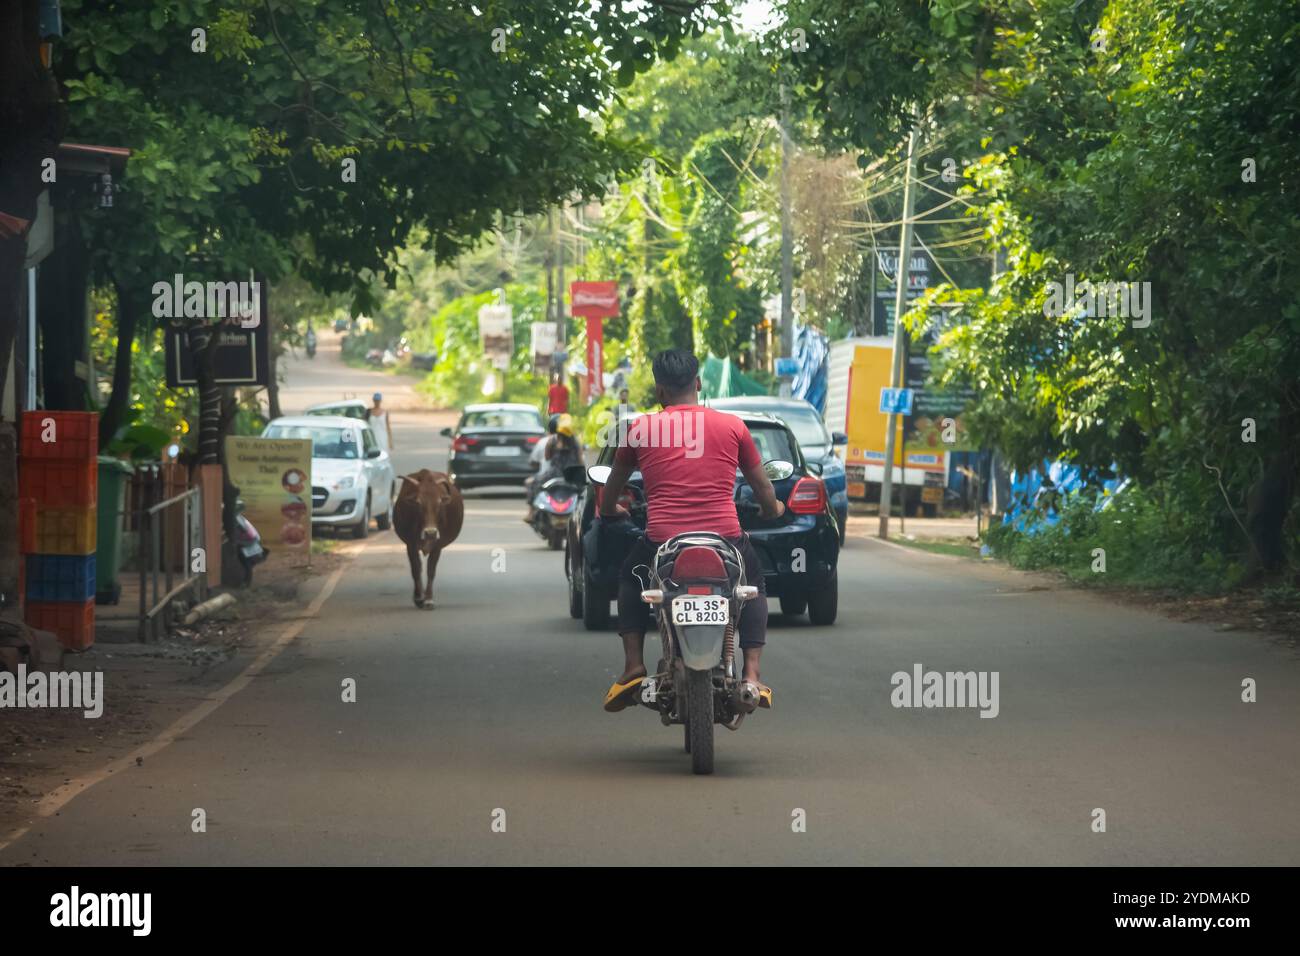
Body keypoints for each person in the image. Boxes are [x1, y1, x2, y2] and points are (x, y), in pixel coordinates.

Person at [599, 349, 784, 714]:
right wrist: (772, 509)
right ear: (697, 384)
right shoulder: (733, 427)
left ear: (659, 391)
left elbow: (613, 488)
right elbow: (763, 487)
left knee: (629, 579)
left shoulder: (639, 430)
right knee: (754, 586)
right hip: (725, 538)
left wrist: (610, 511)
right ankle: (751, 672)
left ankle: (633, 665)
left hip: (661, 542)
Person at [525, 414, 584, 522]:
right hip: (572, 475)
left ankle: (531, 512)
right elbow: (580, 461)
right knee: (583, 492)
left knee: (532, 484)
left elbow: (548, 458)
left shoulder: (552, 440)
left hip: (553, 474)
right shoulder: (576, 442)